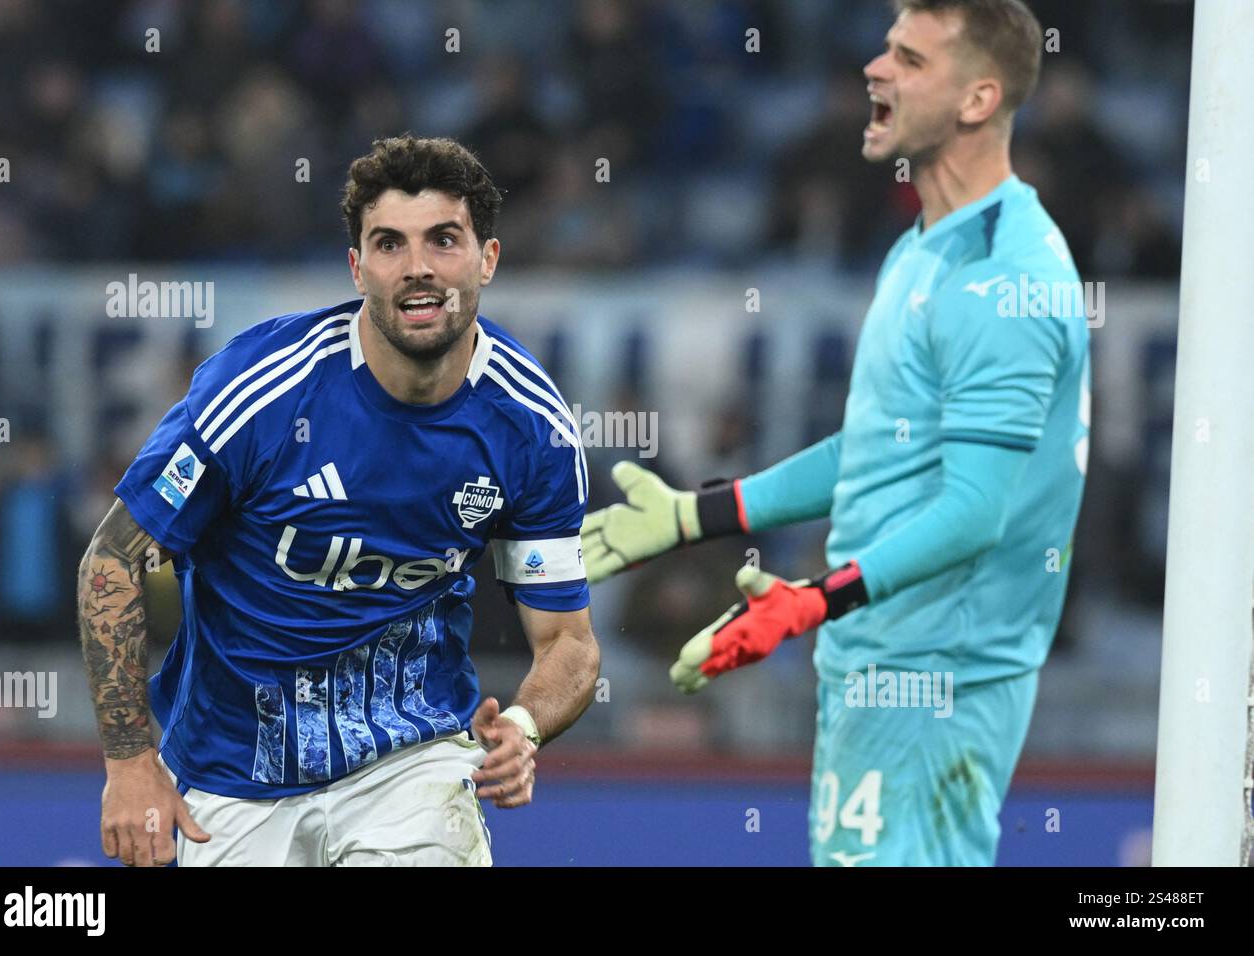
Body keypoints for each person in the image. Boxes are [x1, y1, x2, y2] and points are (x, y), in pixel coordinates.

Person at [583, 0, 1089, 866]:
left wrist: (813, 601)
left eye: (910, 58)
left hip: (939, 675)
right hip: (884, 660)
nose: (874, 69)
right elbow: (881, 453)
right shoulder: (923, 248)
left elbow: (975, 511)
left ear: (977, 99)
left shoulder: (1009, 276)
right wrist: (695, 516)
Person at [78, 135, 600, 867]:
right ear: (358, 268)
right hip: (233, 776)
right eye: (389, 244)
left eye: (443, 241)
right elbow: (113, 560)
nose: (417, 268)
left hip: (411, 764)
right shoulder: (260, 391)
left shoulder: (532, 429)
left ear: (488, 258)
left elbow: (568, 642)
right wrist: (131, 762)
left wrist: (523, 724)